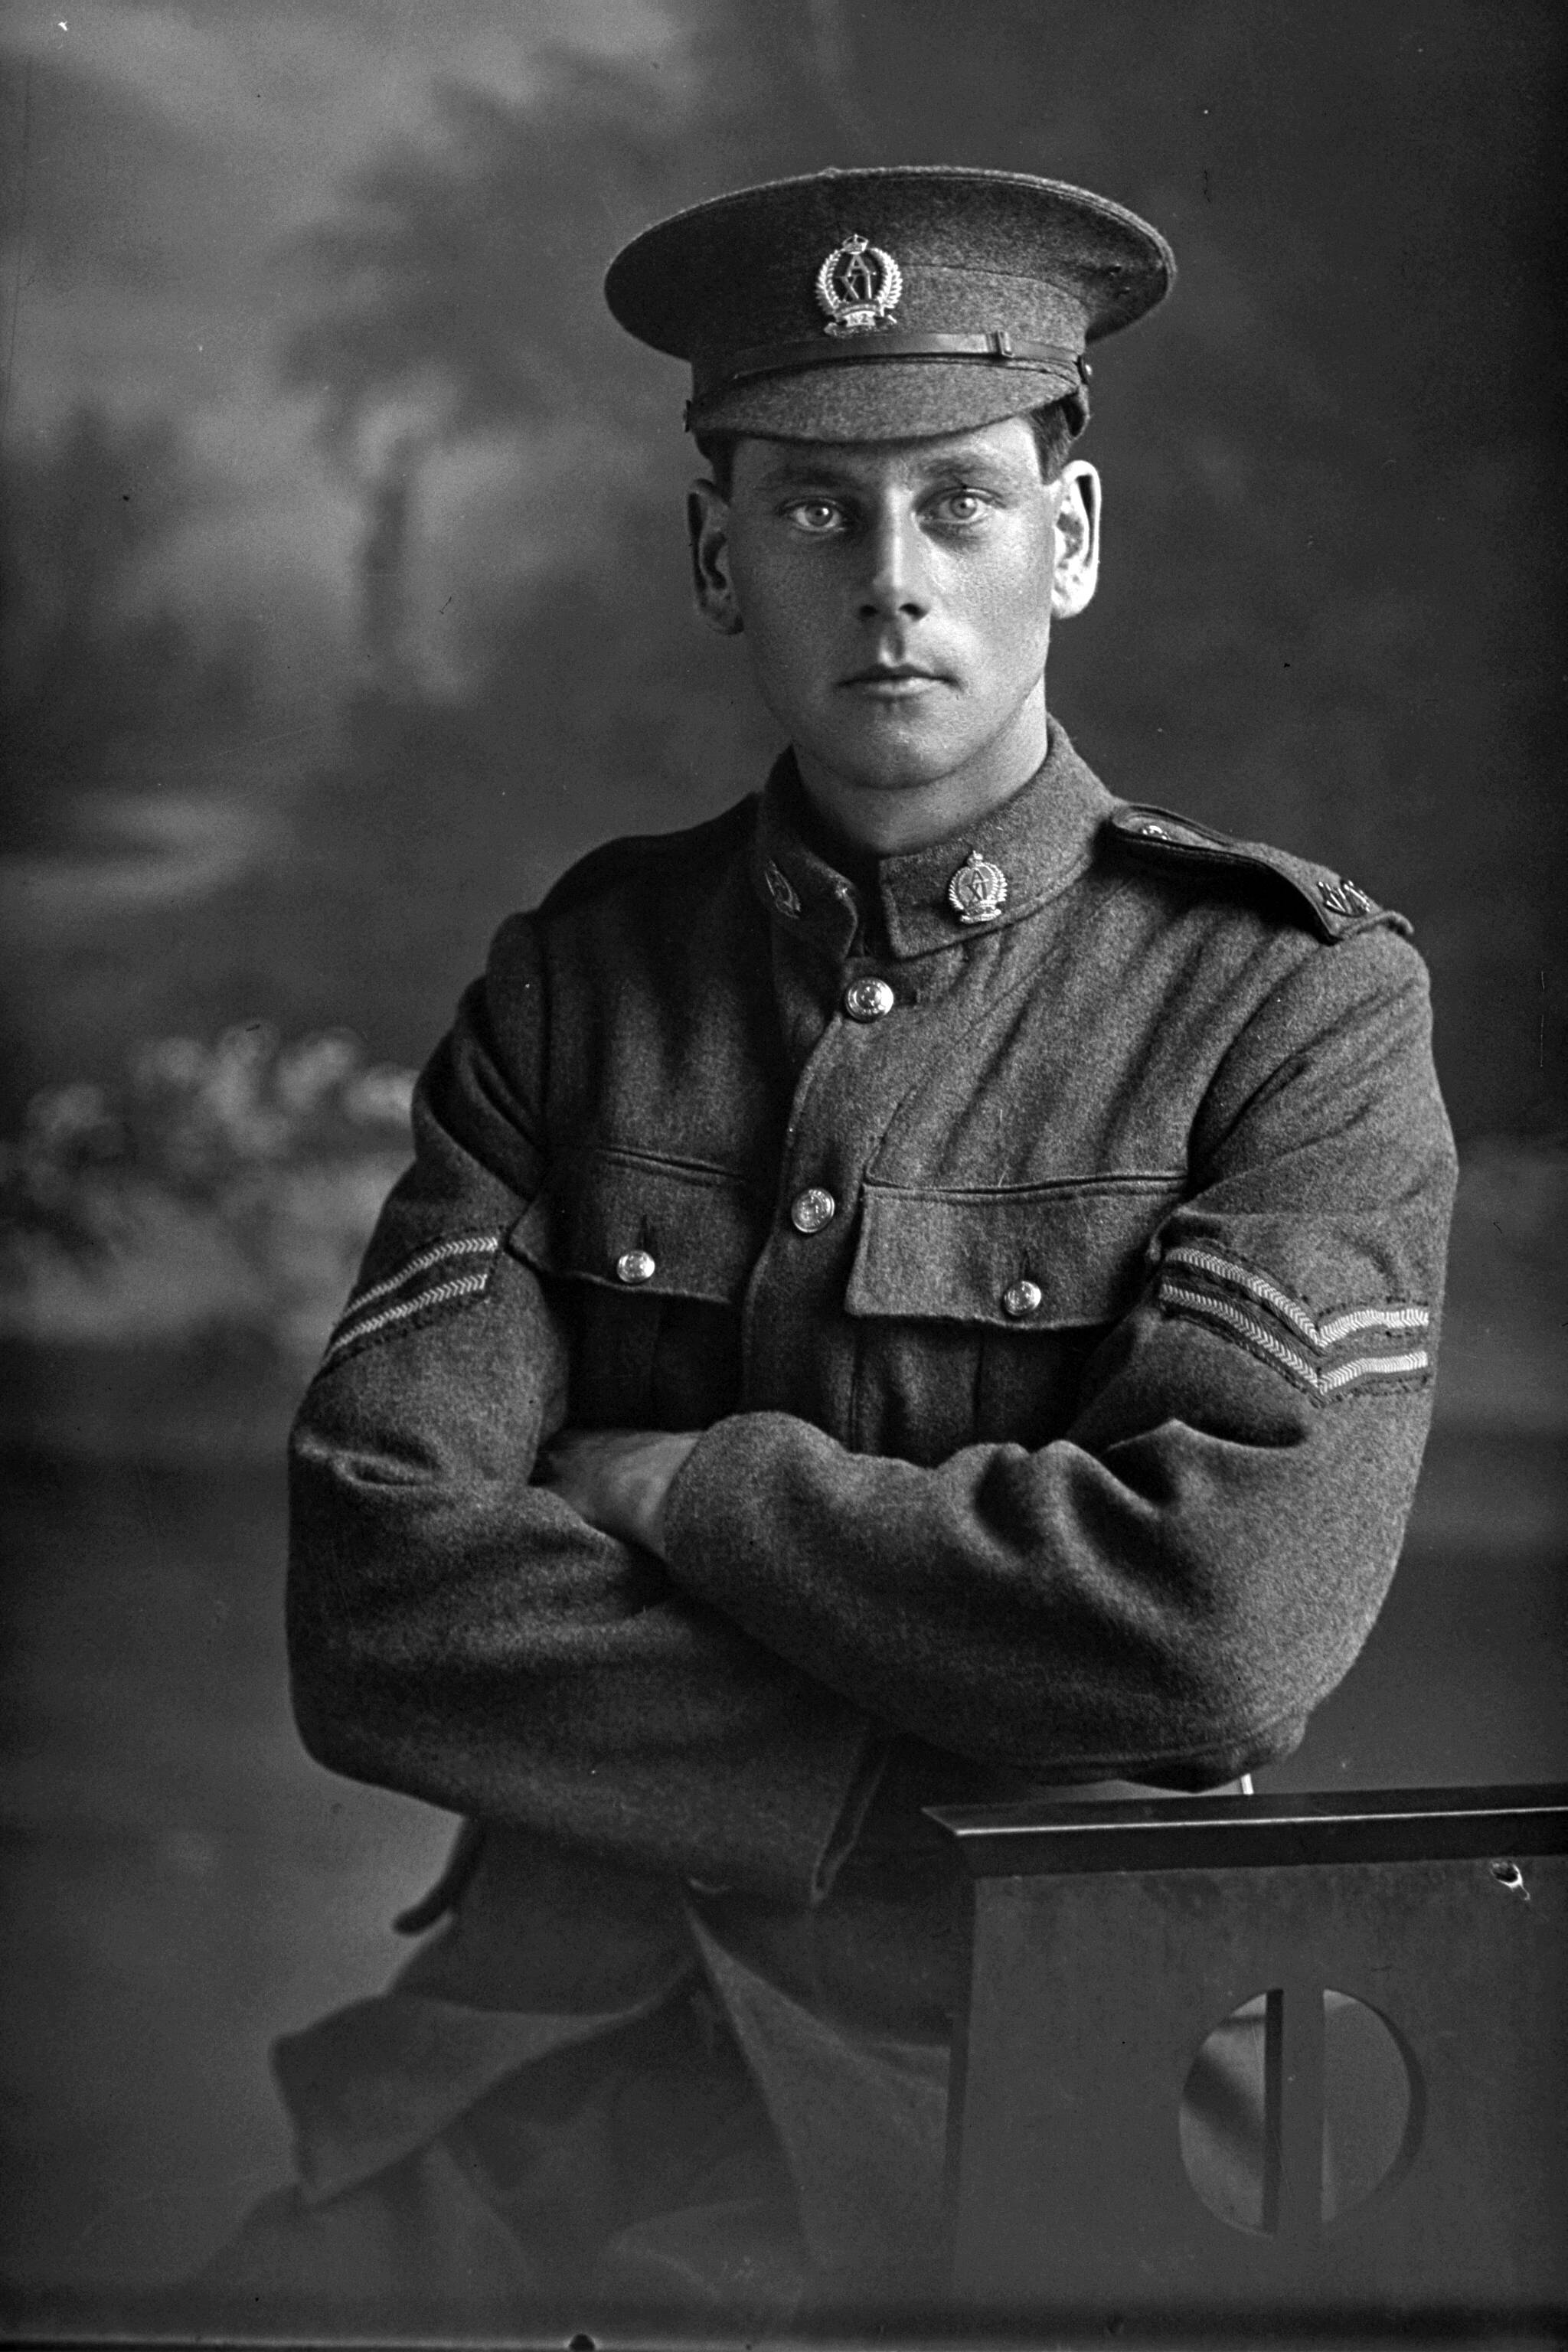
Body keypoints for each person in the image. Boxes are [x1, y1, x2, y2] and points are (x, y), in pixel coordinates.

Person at [202, 166, 1455, 2332]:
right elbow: (376, 1588)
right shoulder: (576, 990)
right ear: (718, 553)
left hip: (1012, 2081)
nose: (891, 582)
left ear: (1068, 538)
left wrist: (689, 1491)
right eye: (811, 510)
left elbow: (1227, 1626)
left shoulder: (1287, 1004)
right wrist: (976, 1700)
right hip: (540, 2063)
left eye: (958, 505)